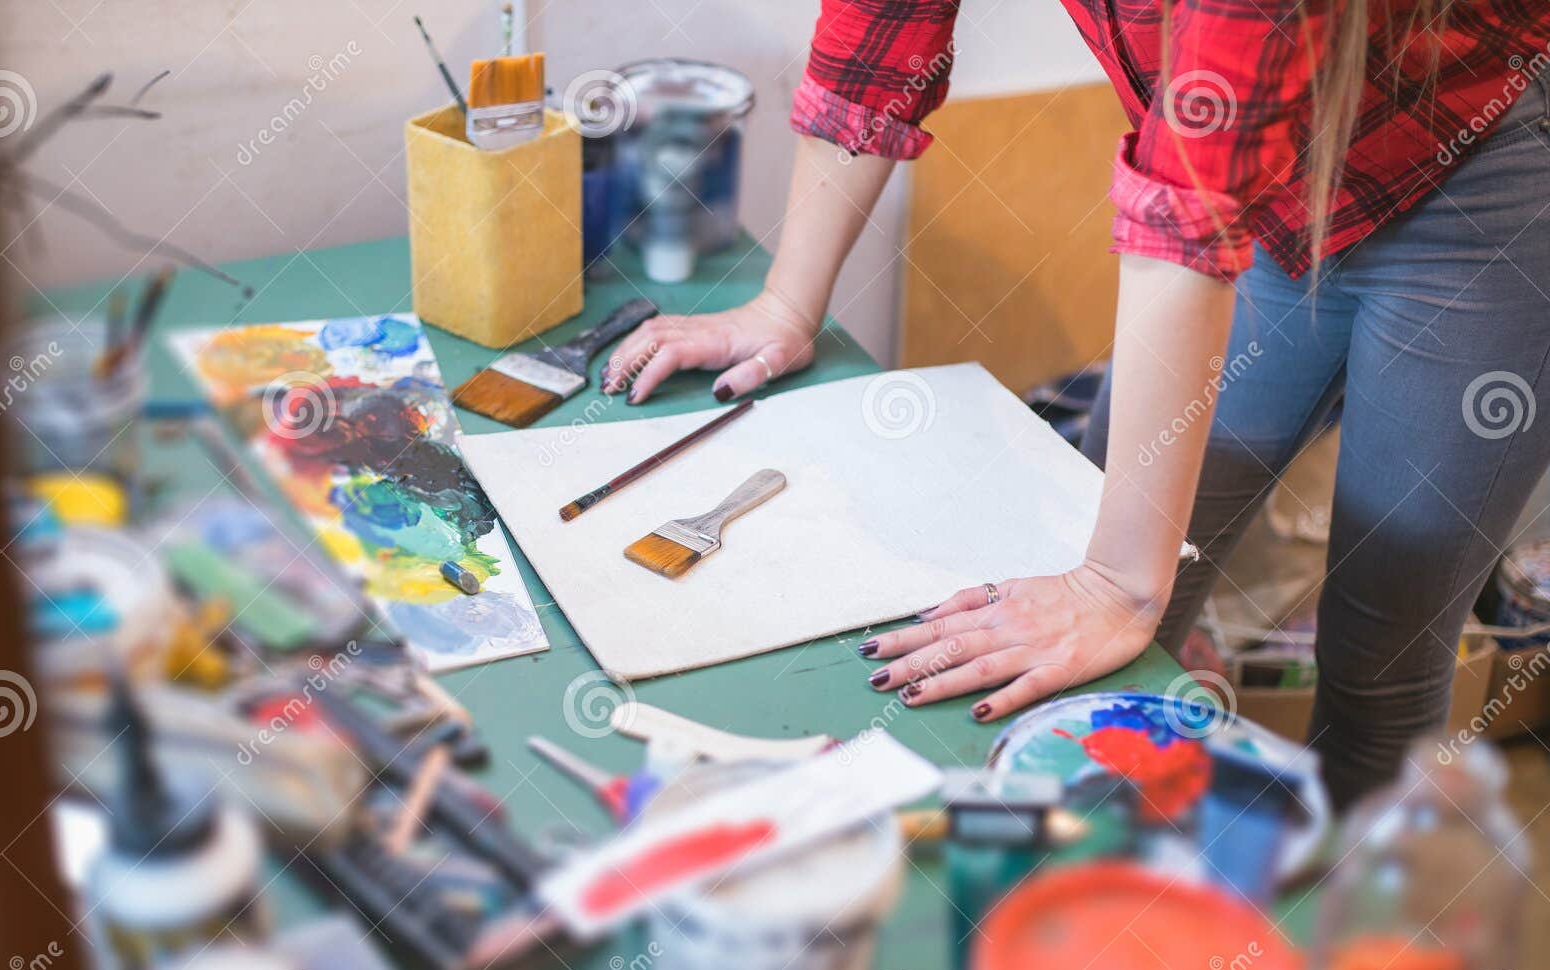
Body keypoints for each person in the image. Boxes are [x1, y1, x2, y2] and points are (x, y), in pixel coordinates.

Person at [601, 1, 1550, 806]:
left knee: (1381, 655)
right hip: (1278, 170)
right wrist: (784, 306)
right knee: (1091, 580)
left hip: (1486, 170)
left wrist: (1119, 585)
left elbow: (1190, 211)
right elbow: (880, 34)